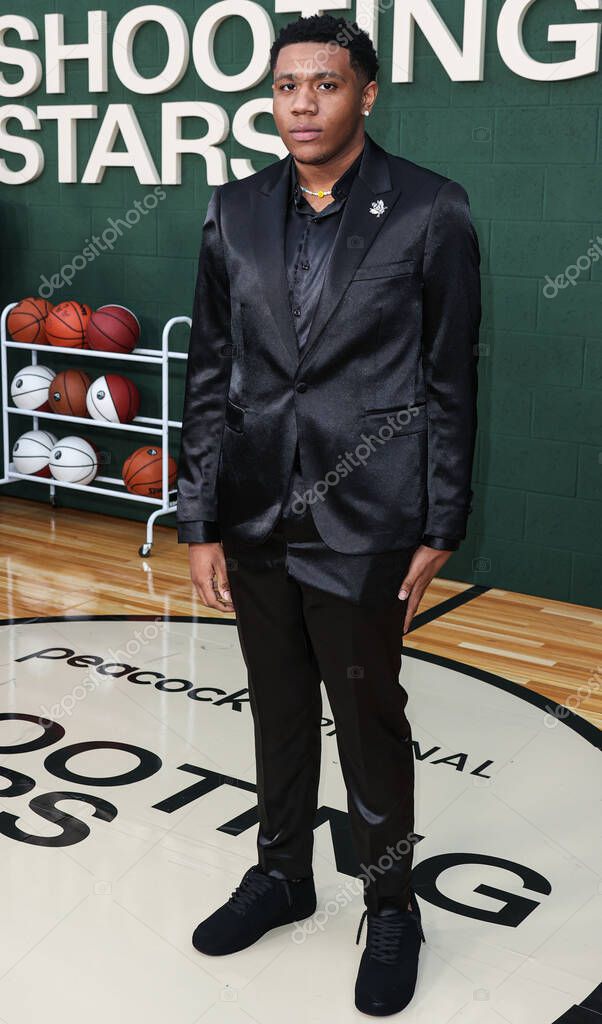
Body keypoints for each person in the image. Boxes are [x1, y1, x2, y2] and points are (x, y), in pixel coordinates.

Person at [176, 13, 480, 1016]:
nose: (300, 103)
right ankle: (281, 873)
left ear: (366, 93)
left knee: (367, 716)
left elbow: (447, 381)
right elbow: (211, 372)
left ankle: (390, 904)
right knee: (273, 706)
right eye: (284, 86)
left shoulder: (431, 211)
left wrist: (440, 523)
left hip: (368, 512)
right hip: (256, 508)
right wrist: (199, 515)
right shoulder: (232, 209)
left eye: (324, 84)